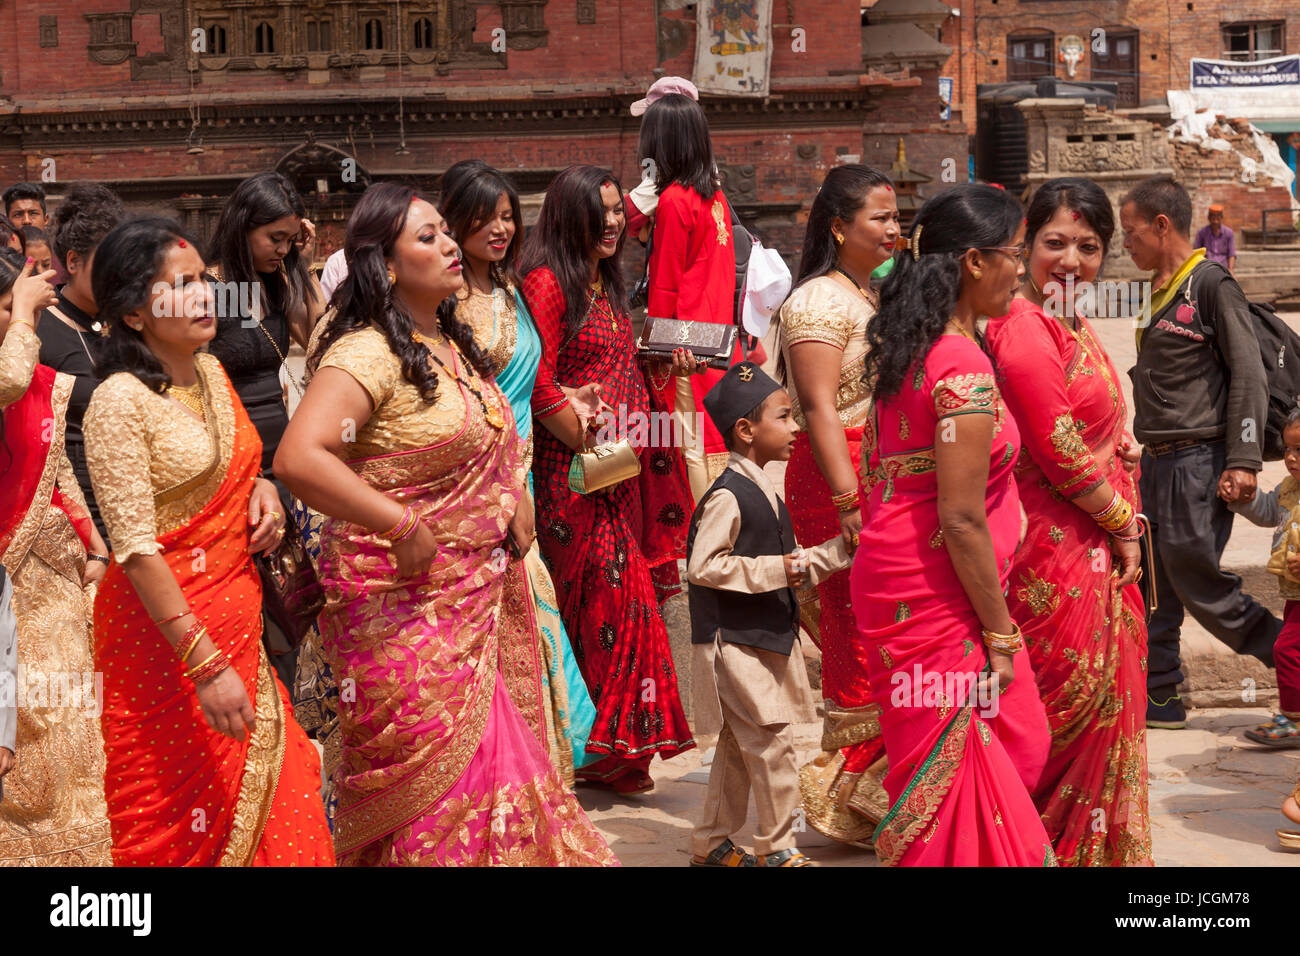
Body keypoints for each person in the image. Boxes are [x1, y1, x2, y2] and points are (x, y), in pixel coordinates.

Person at [275, 183, 615, 866]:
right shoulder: (367, 352)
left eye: (444, 232)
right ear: (385, 264)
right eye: (426, 237)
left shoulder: (449, 342)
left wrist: (510, 494)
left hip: (476, 604)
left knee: (500, 784)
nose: (450, 245)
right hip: (403, 617)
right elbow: (299, 457)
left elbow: (490, 434)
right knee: (441, 800)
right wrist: (400, 523)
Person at [84, 217, 334, 866]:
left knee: (288, 796)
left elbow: (237, 466)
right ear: (133, 313)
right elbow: (135, 549)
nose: (204, 295)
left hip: (240, 632)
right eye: (180, 285)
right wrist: (207, 668)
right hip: (166, 653)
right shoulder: (118, 401)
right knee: (173, 829)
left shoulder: (210, 372)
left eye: (202, 279)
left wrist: (263, 489)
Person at [856, 184, 1055, 866]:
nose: (1021, 271)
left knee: (993, 748)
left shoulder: (911, 350)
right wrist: (1000, 634)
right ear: (974, 261)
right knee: (989, 752)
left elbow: (880, 471)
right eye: (1015, 254)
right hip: (937, 591)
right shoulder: (961, 365)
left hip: (900, 577)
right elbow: (962, 515)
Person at [984, 177, 1152, 866]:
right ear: (1025, 245)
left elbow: (1090, 423)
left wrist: (1122, 448)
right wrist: (1123, 521)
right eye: (1056, 243)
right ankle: (1034, 846)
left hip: (1092, 541)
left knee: (1106, 700)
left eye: (1089, 246)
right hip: (1050, 549)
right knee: (1061, 704)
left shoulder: (1074, 320)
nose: (1072, 261)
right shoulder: (1025, 325)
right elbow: (1055, 447)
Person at [520, 165, 696, 795]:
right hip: (571, 476)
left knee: (621, 598)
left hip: (619, 473)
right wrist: (583, 434)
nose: (615, 222)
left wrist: (660, 368)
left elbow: (618, 368)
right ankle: (601, 746)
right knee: (609, 601)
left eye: (619, 210)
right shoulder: (546, 283)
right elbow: (535, 378)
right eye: (602, 212)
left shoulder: (606, 283)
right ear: (571, 216)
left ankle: (614, 747)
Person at [441, 159, 599, 784]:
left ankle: (539, 764)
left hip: (527, 466)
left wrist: (572, 400)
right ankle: (490, 767)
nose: (500, 229)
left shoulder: (508, 288)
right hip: (478, 480)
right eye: (485, 218)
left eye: (508, 217)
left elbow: (531, 380)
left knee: (532, 612)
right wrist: (502, 487)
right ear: (456, 220)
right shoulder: (446, 300)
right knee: (494, 616)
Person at [1121, 174, 1279, 729]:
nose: (1125, 243)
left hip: (1199, 462)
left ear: (1162, 225)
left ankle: (1291, 661)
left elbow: (1250, 374)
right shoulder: (1154, 291)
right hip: (1156, 461)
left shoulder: (1210, 284)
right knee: (1155, 584)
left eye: (1131, 232)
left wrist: (1243, 459)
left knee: (1199, 583)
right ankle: (1161, 694)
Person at [775, 164, 898, 845]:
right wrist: (849, 498)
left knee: (884, 627)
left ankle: (879, 785)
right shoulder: (818, 301)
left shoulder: (866, 293)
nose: (893, 228)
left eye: (895, 215)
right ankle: (851, 789)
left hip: (874, 471)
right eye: (880, 217)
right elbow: (820, 406)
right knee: (857, 631)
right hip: (835, 480)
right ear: (840, 227)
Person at [687, 361, 847, 868]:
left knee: (740, 747)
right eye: (784, 416)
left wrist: (844, 549)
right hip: (732, 641)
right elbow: (704, 566)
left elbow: (793, 565)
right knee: (774, 745)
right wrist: (780, 568)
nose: (796, 427)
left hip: (758, 639)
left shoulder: (764, 491)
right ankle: (777, 848)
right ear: (746, 430)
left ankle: (710, 844)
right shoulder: (728, 495)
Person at [0, 250, 112, 866]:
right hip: (7, 578)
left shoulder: (39, 382)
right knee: (20, 712)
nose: (17, 321)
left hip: (53, 570)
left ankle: (84, 858)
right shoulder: (14, 373)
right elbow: (8, 382)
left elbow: (55, 464)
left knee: (71, 708)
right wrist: (24, 314)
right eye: (6, 308)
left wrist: (95, 545)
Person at [638, 92, 740, 500]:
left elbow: (665, 284)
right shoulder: (716, 197)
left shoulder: (674, 201)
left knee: (689, 443)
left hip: (682, 343)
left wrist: (654, 350)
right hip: (717, 338)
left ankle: (705, 528)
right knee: (717, 440)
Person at [206, 171, 326, 511]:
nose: (283, 249)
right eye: (275, 238)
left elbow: (320, 342)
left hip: (280, 456)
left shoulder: (272, 285)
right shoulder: (203, 291)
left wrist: (306, 266)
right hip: (228, 458)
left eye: (290, 240)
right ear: (242, 228)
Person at [35, 182, 127, 541]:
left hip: (133, 496)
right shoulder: (39, 327)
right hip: (72, 512)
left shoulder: (134, 323)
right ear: (73, 262)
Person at [1226, 408, 1300, 747]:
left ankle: (1293, 720)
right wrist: (1243, 498)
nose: (1291, 458)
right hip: (1294, 593)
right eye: (1287, 449)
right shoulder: (1288, 489)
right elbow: (1270, 511)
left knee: (1286, 649)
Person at [1194, 203, 1236, 275]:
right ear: (1209, 218)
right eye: (1213, 219)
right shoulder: (1201, 233)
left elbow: (1231, 254)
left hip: (1223, 268)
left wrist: (1231, 269)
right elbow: (1197, 253)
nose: (1215, 222)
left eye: (1218, 219)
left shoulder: (1229, 233)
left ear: (1221, 218)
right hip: (1206, 268)